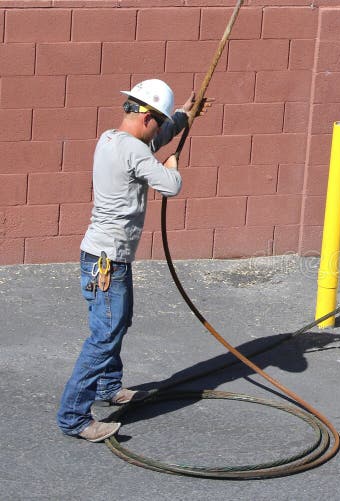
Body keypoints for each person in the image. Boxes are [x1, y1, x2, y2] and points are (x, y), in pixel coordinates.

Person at [56, 79, 209, 442]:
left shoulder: (112, 139)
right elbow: (171, 185)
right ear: (146, 118)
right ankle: (74, 416)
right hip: (109, 262)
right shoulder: (137, 152)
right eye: (157, 122)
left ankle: (109, 388)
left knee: (116, 323)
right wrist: (171, 165)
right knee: (104, 335)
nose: (157, 130)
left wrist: (183, 115)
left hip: (98, 257)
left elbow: (158, 135)